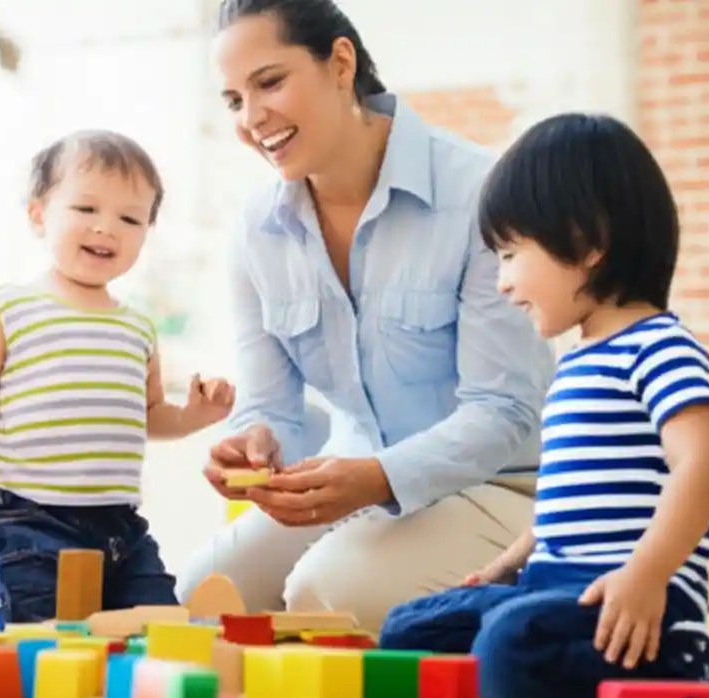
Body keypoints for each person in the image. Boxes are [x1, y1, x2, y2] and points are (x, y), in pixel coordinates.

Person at [179, 0, 555, 633]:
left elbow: (504, 410)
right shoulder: (256, 232)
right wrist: (256, 440)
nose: (252, 118)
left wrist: (379, 477)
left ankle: (527, 603)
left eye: (270, 83)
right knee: (207, 595)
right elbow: (272, 405)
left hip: (504, 486)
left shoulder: (478, 192)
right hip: (354, 487)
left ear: (340, 64)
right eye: (234, 100)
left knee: (325, 593)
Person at [378, 113, 709, 698]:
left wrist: (647, 576)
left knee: (506, 648)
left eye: (512, 254)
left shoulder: (661, 346)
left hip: (630, 597)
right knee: (407, 630)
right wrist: (502, 567)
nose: (502, 282)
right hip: (551, 589)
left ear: (588, 242)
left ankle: (683, 659)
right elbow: (560, 509)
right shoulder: (574, 364)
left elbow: (703, 463)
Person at [0, 130, 236, 650]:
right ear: (38, 215)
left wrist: (194, 416)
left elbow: (147, 415)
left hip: (119, 525)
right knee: (39, 643)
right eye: (85, 208)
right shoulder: (10, 307)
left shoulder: (138, 327)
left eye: (130, 218)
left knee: (161, 633)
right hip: (28, 515)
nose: (106, 228)